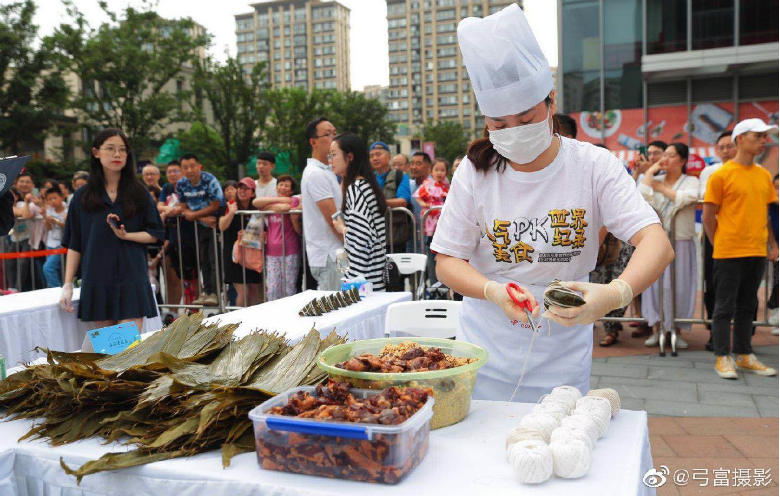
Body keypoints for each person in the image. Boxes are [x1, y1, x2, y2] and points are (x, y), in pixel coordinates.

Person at [431, 4, 672, 401]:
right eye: (499, 125)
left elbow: (656, 244)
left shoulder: (593, 165)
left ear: (550, 103)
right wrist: (493, 290)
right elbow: (447, 261)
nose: (513, 132)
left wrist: (615, 294)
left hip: (563, 346)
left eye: (525, 120)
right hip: (485, 345)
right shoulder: (475, 172)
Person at [59, 128, 164, 333]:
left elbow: (155, 233)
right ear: (96, 152)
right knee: (107, 352)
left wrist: (127, 235)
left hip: (131, 273)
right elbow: (75, 243)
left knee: (128, 348)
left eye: (122, 150)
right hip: (97, 277)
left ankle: (128, 365)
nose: (117, 154)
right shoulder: (82, 196)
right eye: (111, 149)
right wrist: (68, 284)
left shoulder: (138, 192)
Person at [703, 118, 779, 379]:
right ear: (740, 139)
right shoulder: (721, 175)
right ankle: (723, 356)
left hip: (756, 251)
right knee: (724, 306)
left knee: (748, 305)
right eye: (757, 136)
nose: (762, 140)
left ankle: (744, 354)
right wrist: (718, 244)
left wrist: (772, 244)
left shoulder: (763, 175)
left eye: (763, 136)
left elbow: (766, 214)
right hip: (729, 252)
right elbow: (709, 215)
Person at [639, 143, 700, 349]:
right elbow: (640, 195)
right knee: (654, 285)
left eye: (671, 155)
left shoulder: (690, 180)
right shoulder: (654, 179)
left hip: (682, 242)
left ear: (682, 160)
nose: (665, 158)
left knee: (680, 286)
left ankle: (676, 330)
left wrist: (661, 188)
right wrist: (650, 172)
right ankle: (656, 329)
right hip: (658, 242)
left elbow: (686, 198)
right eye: (664, 155)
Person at [330, 133, 387, 291]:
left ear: (349, 157)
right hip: (373, 277)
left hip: (362, 281)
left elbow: (360, 239)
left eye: (334, 154)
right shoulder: (365, 185)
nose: (331, 160)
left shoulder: (357, 189)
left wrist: (342, 229)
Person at [699, 130, 737, 350]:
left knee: (744, 288)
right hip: (715, 235)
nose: (725, 151)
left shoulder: (756, 171)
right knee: (714, 285)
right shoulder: (710, 172)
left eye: (729, 146)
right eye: (721, 147)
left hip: (743, 237)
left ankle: (745, 332)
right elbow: (707, 207)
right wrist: (714, 239)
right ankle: (716, 333)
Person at [301, 117, 343, 290]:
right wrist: (352, 242)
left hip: (337, 252)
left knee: (346, 307)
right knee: (334, 311)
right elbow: (334, 218)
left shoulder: (327, 170)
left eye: (334, 133)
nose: (334, 138)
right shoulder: (315, 173)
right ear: (313, 142)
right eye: (327, 134)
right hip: (328, 254)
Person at [177, 153, 224, 306]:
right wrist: (200, 218)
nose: (189, 170)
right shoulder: (182, 184)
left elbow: (216, 205)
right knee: (202, 259)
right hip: (200, 224)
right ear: (182, 170)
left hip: (216, 223)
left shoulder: (209, 180)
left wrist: (194, 215)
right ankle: (207, 291)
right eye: (185, 167)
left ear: (199, 167)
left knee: (214, 258)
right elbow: (184, 208)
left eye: (192, 166)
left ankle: (216, 293)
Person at [219, 177, 262, 307]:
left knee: (254, 289)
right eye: (240, 188)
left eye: (246, 189)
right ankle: (239, 322)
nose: (242, 191)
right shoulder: (230, 205)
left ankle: (255, 321)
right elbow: (221, 226)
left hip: (252, 255)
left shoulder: (256, 208)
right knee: (242, 292)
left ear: (253, 192)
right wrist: (232, 212)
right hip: (234, 256)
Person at [263, 175, 302, 300]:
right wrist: (274, 206)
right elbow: (256, 203)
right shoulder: (270, 200)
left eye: (287, 186)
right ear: (276, 187)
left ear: (291, 190)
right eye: (281, 184)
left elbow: (286, 207)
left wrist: (270, 207)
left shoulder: (293, 200)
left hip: (290, 249)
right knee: (273, 288)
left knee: (289, 287)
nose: (283, 187)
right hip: (272, 251)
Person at [370, 141, 412, 253]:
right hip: (372, 237)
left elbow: (403, 201)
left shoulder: (400, 175)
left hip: (394, 235)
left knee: (395, 268)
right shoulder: (368, 178)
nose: (374, 158)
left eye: (378, 154)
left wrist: (378, 201)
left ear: (389, 156)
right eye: (372, 156)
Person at [414, 157, 450, 283]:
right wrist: (423, 204)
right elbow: (417, 196)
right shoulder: (427, 184)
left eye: (442, 170)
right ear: (432, 171)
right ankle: (433, 283)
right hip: (430, 218)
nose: (439, 173)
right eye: (437, 170)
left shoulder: (447, 185)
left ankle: (443, 282)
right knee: (431, 249)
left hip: (442, 220)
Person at [42, 183, 68, 288]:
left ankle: (56, 290)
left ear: (62, 197)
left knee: (48, 268)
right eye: (49, 199)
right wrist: (45, 218)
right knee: (53, 269)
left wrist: (56, 221)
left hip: (61, 244)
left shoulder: (67, 209)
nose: (52, 201)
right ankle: (56, 288)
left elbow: (66, 228)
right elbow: (49, 229)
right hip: (50, 243)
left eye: (54, 198)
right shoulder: (49, 210)